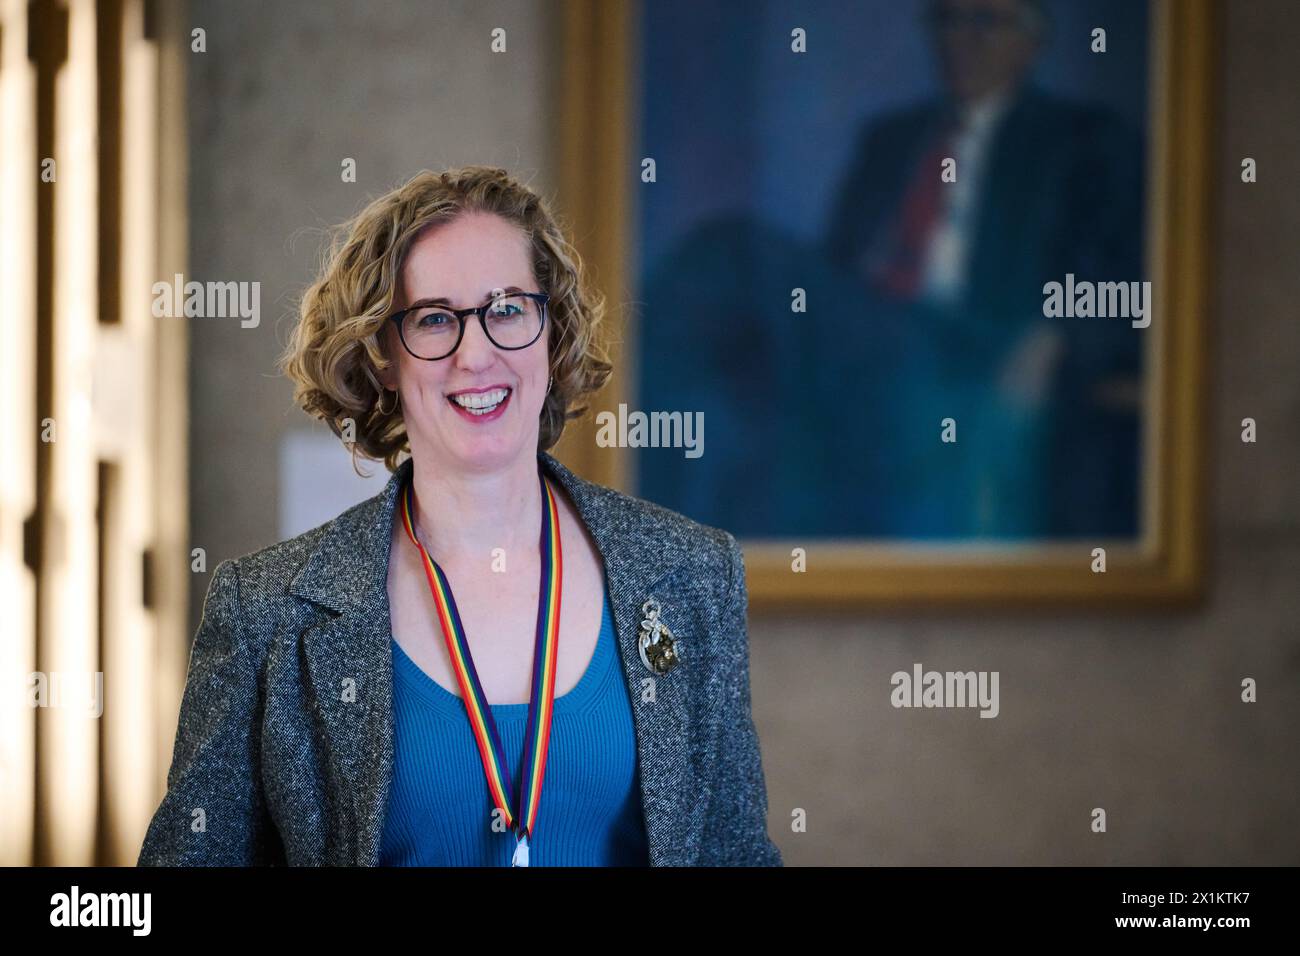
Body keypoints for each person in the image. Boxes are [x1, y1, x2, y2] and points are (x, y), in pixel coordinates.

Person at [137, 166, 782, 867]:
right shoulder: (266, 612)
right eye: (435, 319)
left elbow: (735, 853)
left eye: (506, 308)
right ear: (383, 355)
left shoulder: (690, 574)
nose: (477, 355)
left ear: (550, 331)